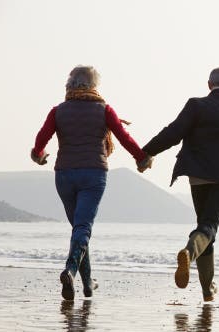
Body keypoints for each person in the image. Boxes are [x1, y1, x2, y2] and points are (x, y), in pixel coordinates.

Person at [31, 65, 152, 301]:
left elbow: (40, 140)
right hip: (93, 174)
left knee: (79, 228)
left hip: (64, 175)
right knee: (83, 228)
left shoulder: (58, 111)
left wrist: (39, 154)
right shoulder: (104, 110)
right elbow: (124, 137)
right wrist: (142, 158)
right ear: (93, 86)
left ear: (70, 84)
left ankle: (87, 284)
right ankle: (70, 270)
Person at [141, 67, 219, 301]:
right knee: (208, 227)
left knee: (205, 228)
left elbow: (172, 133)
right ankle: (189, 252)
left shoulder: (196, 105)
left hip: (197, 174)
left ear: (209, 85)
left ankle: (207, 288)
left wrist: (145, 152)